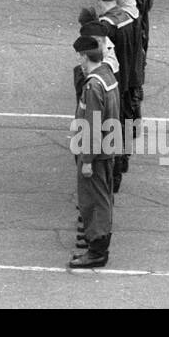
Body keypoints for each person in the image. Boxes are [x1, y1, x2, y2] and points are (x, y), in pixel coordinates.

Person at [68, 33, 120, 269]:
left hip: (94, 153)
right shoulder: (107, 75)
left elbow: (91, 124)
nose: (79, 61)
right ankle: (95, 242)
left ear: (84, 56)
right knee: (102, 198)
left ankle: (97, 251)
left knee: (94, 201)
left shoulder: (92, 85)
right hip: (107, 148)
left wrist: (87, 159)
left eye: (80, 56)